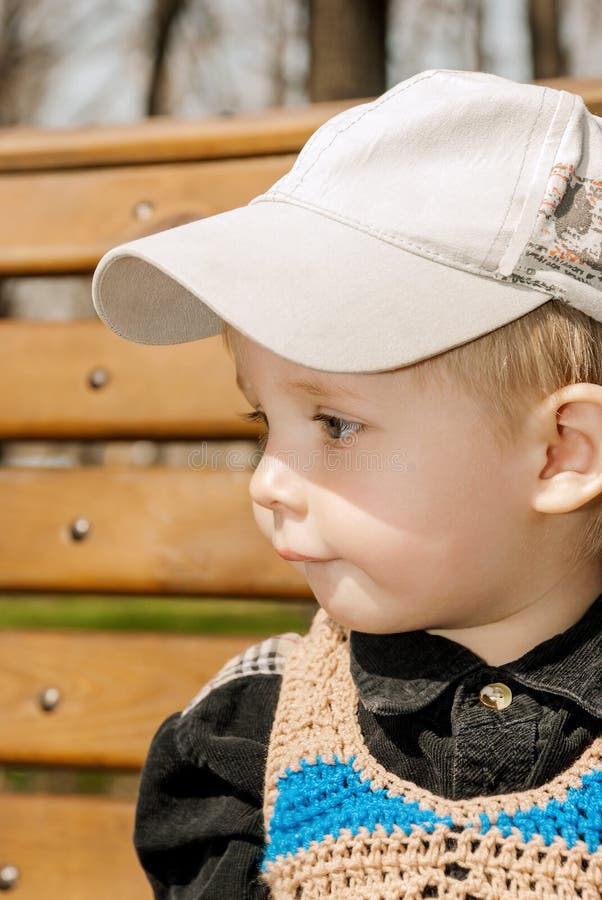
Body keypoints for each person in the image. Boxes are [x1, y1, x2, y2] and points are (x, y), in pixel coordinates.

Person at [92, 69, 602, 898]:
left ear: (561, 453)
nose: (267, 483)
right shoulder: (254, 734)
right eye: (264, 423)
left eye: (335, 425)